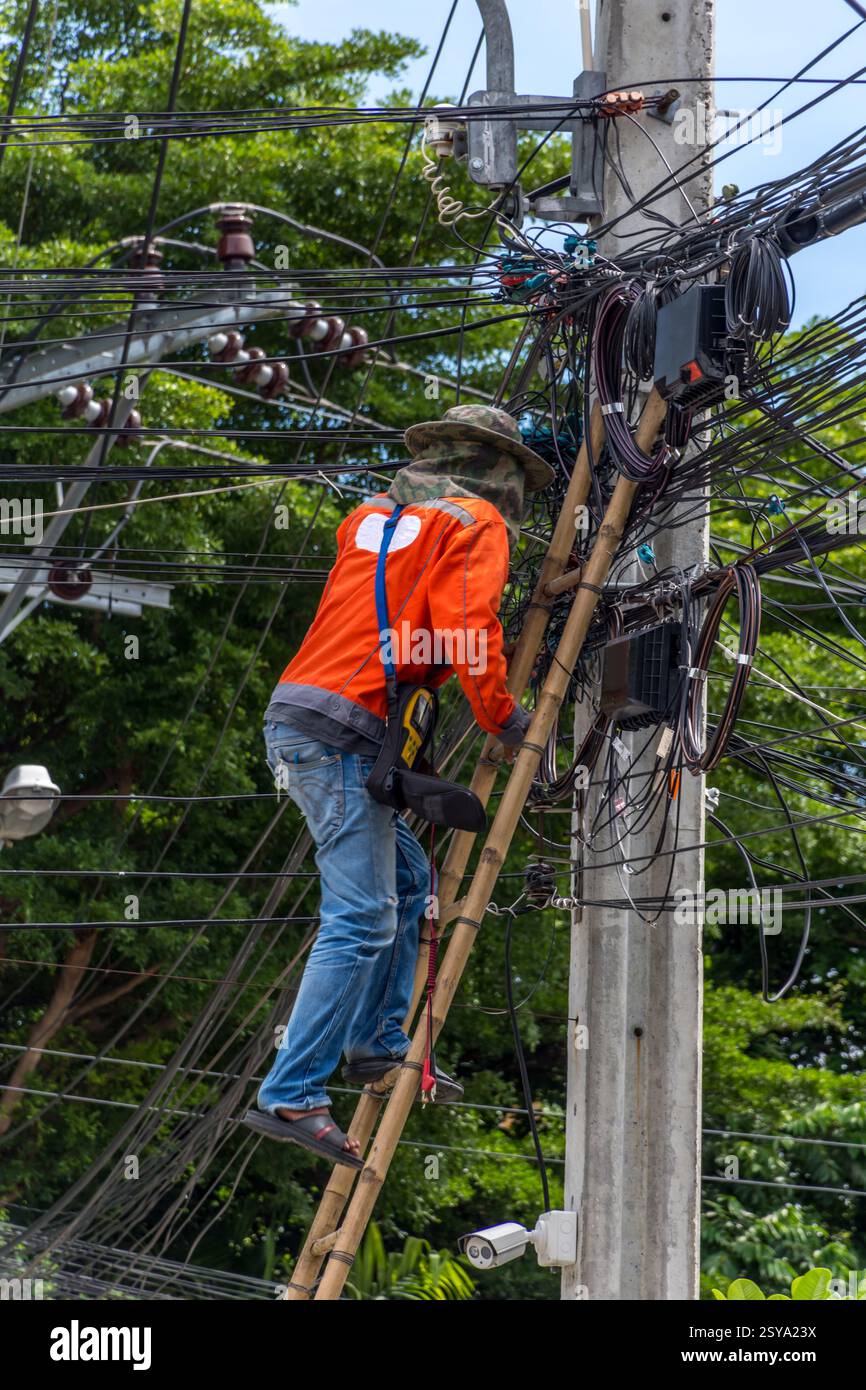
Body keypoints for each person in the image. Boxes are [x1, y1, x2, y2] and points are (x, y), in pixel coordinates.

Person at [242, 405, 553, 1166]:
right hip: (340, 735)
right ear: (499, 470)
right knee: (361, 918)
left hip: (306, 715)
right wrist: (503, 717)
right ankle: (291, 1092)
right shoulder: (474, 521)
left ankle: (376, 1042)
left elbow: (394, 623)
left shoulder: (370, 519)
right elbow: (465, 628)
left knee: (409, 885)